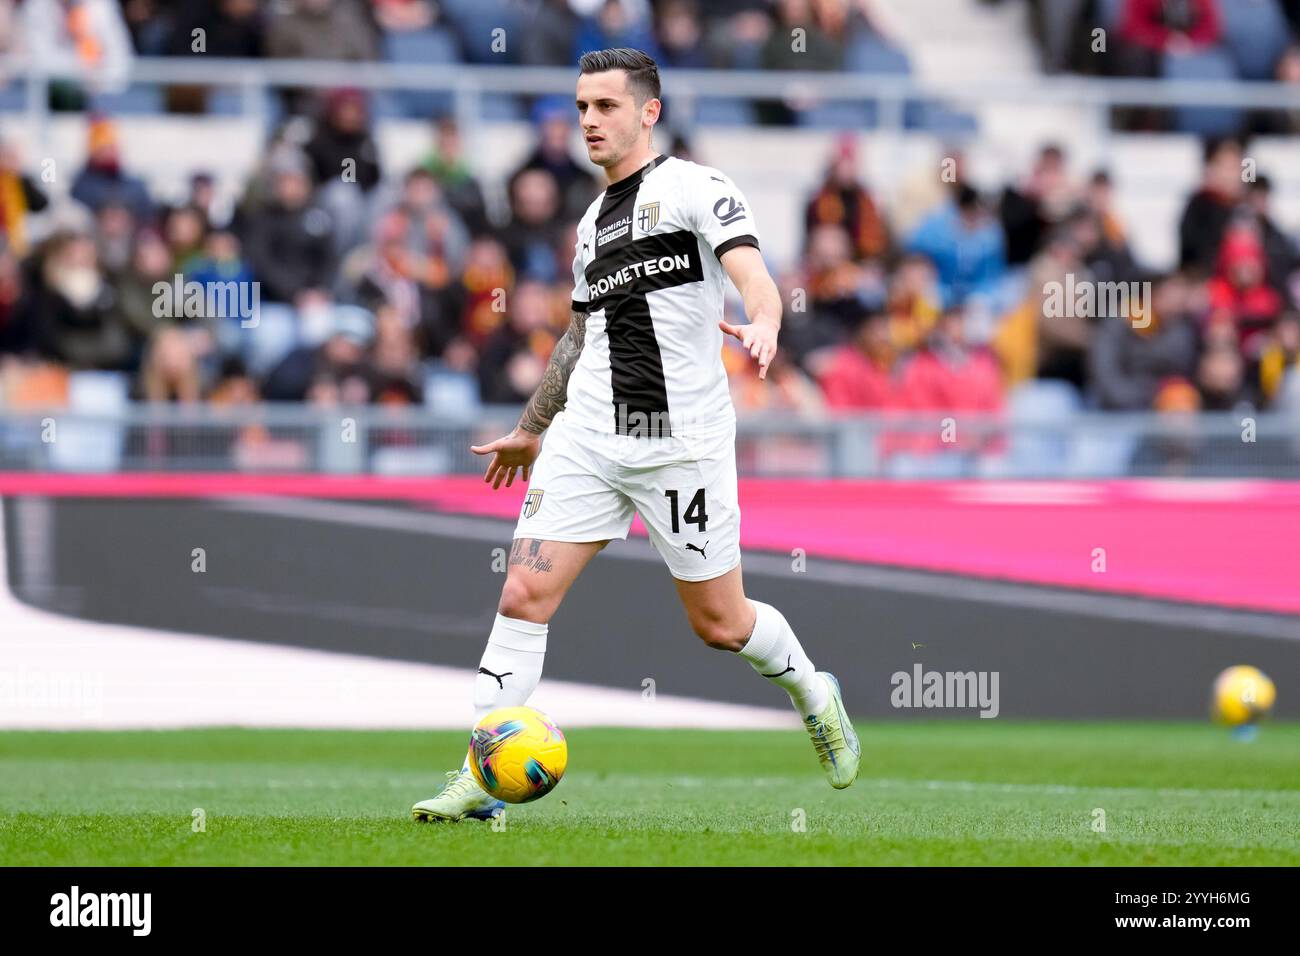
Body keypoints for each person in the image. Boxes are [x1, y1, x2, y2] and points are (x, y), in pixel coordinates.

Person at [411, 47, 860, 823]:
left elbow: (751, 269)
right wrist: (530, 429)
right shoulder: (588, 226)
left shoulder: (696, 186)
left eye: (605, 106)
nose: (588, 120)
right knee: (522, 593)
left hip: (680, 443)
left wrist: (765, 316)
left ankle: (814, 691)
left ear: (647, 112)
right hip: (589, 436)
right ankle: (480, 783)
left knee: (720, 624)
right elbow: (580, 337)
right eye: (581, 107)